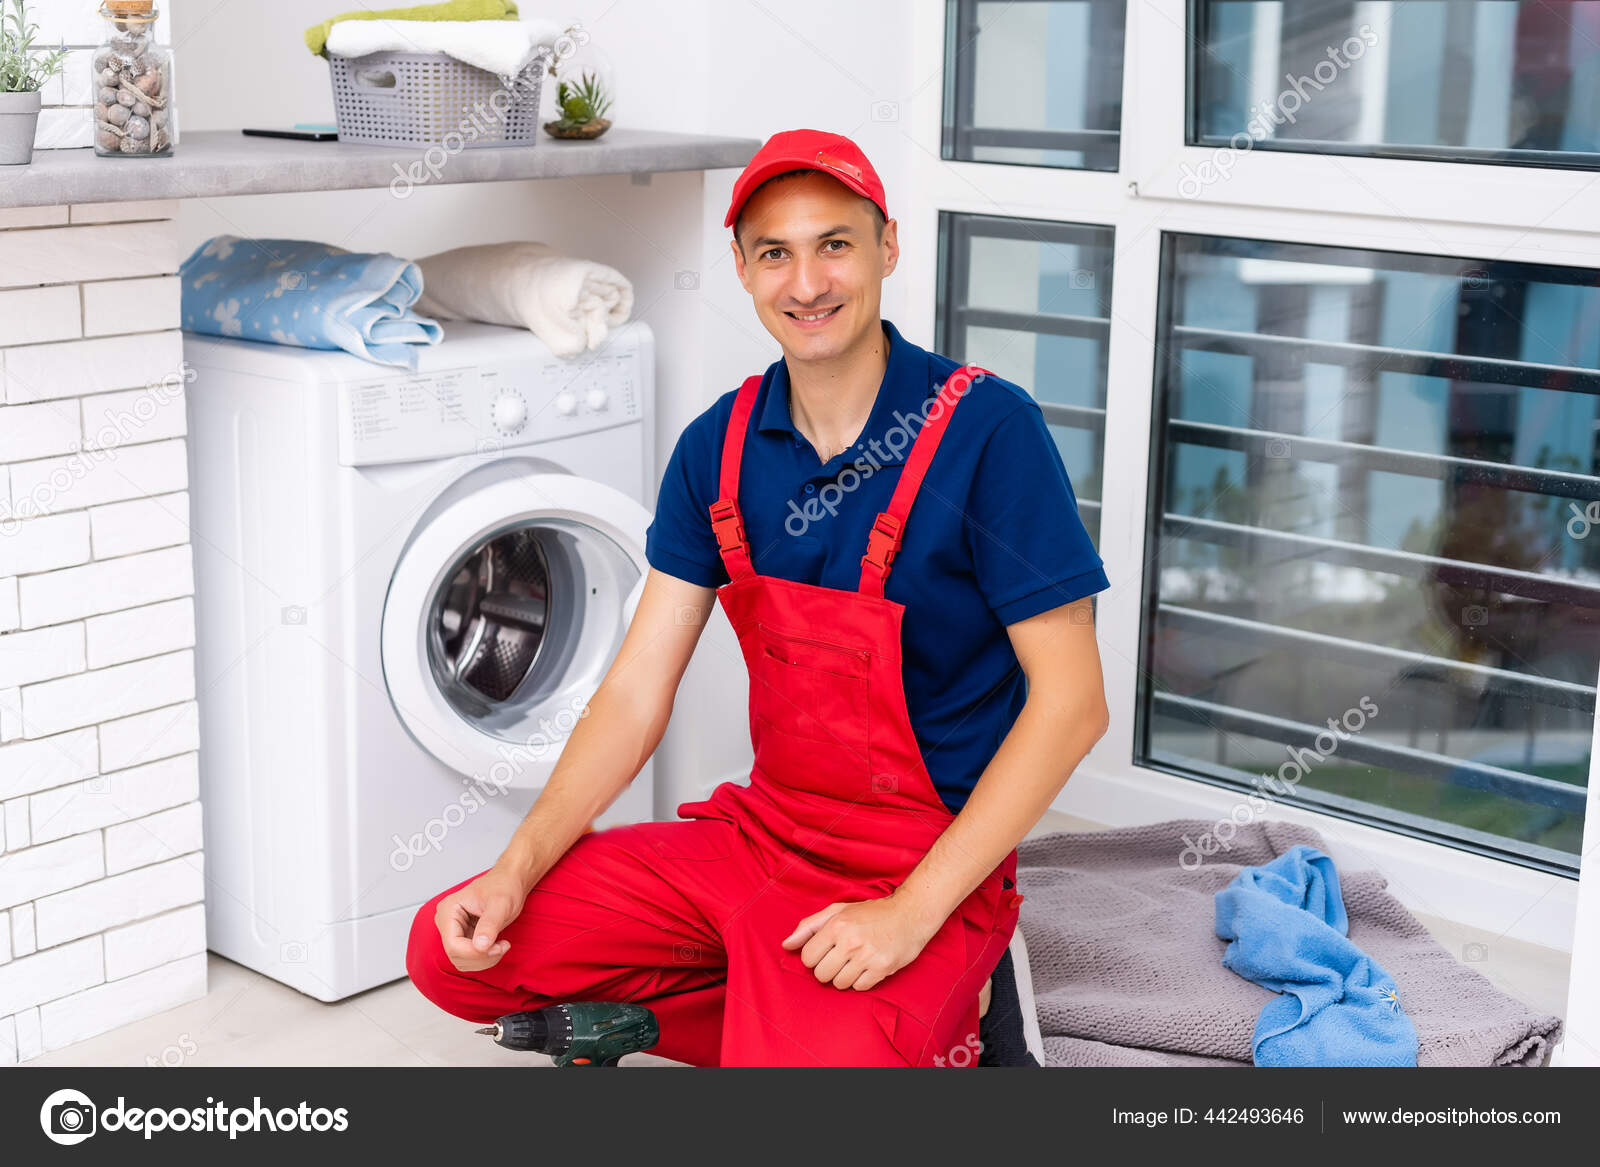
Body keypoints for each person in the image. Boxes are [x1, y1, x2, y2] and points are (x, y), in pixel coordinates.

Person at [406, 128, 1110, 1066]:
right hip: (762, 837)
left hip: (921, 854)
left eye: (835, 245)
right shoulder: (719, 445)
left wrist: (910, 913)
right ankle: (766, 1009)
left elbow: (1073, 704)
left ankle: (963, 986)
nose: (807, 283)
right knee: (455, 950)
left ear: (888, 247)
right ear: (742, 268)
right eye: (775, 252)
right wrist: (516, 865)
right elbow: (635, 691)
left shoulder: (990, 430)